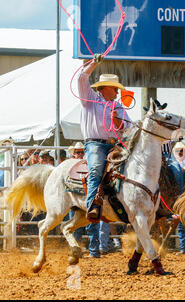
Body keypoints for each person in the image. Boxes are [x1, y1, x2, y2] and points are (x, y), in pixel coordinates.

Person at [77, 54, 131, 258]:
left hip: (114, 144)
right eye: (115, 88)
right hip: (95, 144)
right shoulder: (89, 100)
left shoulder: (117, 106)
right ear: (104, 88)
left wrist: (118, 120)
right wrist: (93, 63)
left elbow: (127, 126)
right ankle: (92, 206)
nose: (118, 91)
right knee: (97, 170)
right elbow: (82, 78)